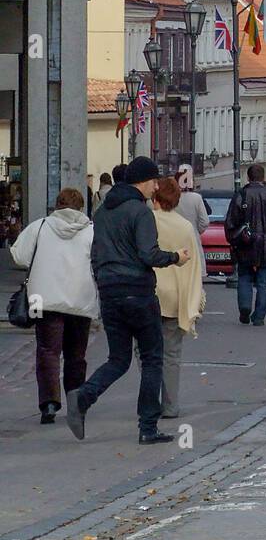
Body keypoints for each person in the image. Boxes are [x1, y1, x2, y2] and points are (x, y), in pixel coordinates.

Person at [66, 157, 188, 446]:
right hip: (138, 292)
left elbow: (94, 254)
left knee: (118, 359)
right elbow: (148, 254)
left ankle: (82, 397)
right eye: (154, 181)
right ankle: (148, 427)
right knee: (152, 359)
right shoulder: (141, 212)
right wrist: (175, 258)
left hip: (110, 292)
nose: (157, 187)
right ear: (143, 182)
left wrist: (105, 281)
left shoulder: (102, 212)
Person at [11, 187, 99, 427]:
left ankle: (49, 403)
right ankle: (75, 399)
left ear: (57, 205)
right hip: (80, 299)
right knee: (76, 354)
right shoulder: (91, 231)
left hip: (42, 298)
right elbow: (99, 260)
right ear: (81, 207)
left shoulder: (39, 226)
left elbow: (18, 255)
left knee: (47, 350)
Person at [151, 177, 205, 419]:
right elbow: (193, 266)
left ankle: (150, 400)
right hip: (175, 296)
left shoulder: (147, 221)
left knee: (146, 352)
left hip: (149, 293)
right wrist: (194, 300)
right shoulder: (185, 226)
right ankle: (170, 405)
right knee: (171, 354)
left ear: (155, 197)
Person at [225, 164, 266, 326]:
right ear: (263, 178)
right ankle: (260, 315)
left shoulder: (241, 196)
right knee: (263, 282)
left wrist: (233, 241)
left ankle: (245, 308)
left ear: (248, 177)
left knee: (245, 278)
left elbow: (230, 222)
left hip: (245, 246)